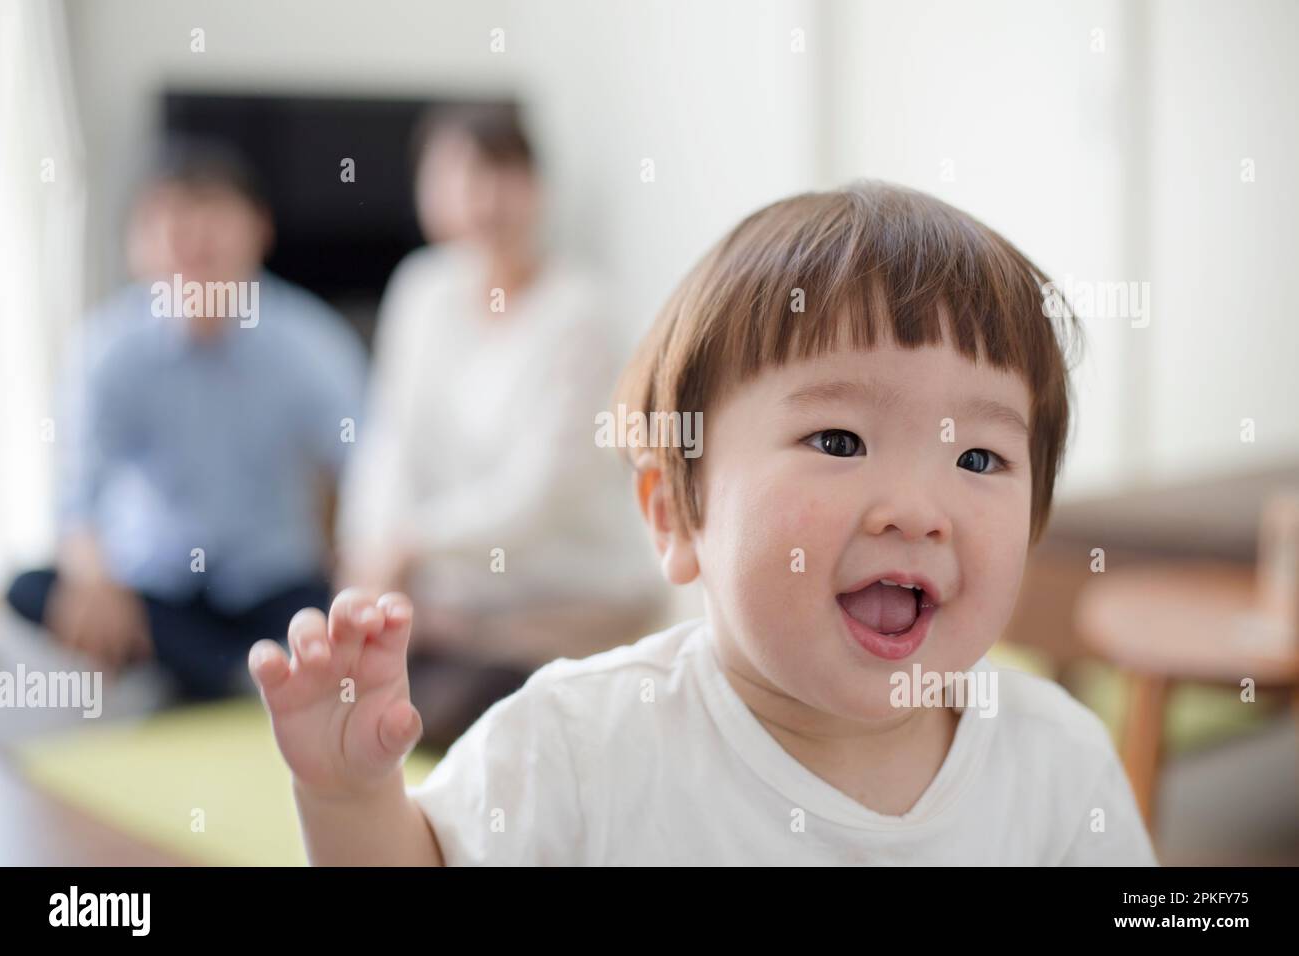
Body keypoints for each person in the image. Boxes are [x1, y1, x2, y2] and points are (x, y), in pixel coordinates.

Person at [249, 181, 1158, 865]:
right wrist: (349, 797)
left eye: (978, 459)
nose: (918, 511)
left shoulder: (1058, 762)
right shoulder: (578, 744)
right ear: (677, 513)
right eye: (839, 438)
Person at [335, 103, 661, 747]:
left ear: (537, 189)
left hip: (570, 595)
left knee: (449, 719)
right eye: (456, 177)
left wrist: (410, 545)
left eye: (501, 174)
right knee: (347, 700)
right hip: (453, 597)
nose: (480, 199)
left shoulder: (581, 312)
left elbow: (538, 496)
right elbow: (390, 443)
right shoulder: (421, 290)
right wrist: (371, 550)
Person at [5, 140, 366, 701]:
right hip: (154, 593)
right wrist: (93, 577)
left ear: (259, 228)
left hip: (272, 589)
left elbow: (367, 471)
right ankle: (235, 676)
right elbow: (78, 498)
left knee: (335, 616)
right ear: (136, 243)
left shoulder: (311, 343)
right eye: (169, 215)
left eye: (213, 213)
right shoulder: (107, 348)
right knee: (30, 588)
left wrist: (360, 569)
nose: (192, 235)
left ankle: (209, 672)